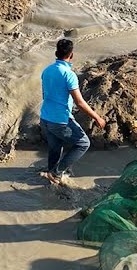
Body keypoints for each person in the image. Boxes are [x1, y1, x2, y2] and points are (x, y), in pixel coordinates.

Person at [39, 38, 106, 186]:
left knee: (55, 147)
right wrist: (97, 118)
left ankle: (51, 173)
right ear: (71, 55)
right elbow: (80, 103)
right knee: (83, 143)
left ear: (56, 52)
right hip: (60, 120)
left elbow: (45, 95)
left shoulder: (47, 70)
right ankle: (56, 173)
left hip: (44, 117)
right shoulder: (69, 75)